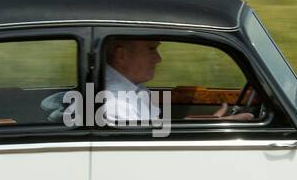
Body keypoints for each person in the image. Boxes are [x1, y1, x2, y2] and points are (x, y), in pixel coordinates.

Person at [103, 39, 252, 124]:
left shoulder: (131, 88)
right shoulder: (117, 104)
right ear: (121, 55)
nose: (159, 59)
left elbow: (155, 132)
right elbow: (151, 152)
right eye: (151, 49)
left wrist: (204, 123)